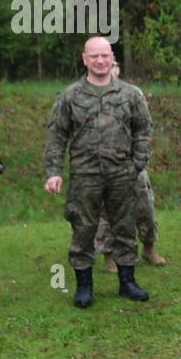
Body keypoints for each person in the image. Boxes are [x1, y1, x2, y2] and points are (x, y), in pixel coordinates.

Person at [43, 36, 153, 308]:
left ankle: (128, 281)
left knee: (125, 227)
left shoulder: (129, 94)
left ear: (112, 57)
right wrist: (53, 171)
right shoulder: (70, 96)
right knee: (83, 228)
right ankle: (84, 286)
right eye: (94, 56)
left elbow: (143, 130)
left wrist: (137, 163)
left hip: (122, 173)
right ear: (85, 59)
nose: (100, 61)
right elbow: (57, 135)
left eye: (105, 55)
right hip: (85, 174)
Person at [96, 63, 164, 271]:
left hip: (132, 163)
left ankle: (149, 248)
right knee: (105, 212)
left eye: (113, 64)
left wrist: (140, 159)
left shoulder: (133, 94)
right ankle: (109, 256)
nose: (110, 68)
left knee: (144, 208)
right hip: (102, 165)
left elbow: (145, 127)